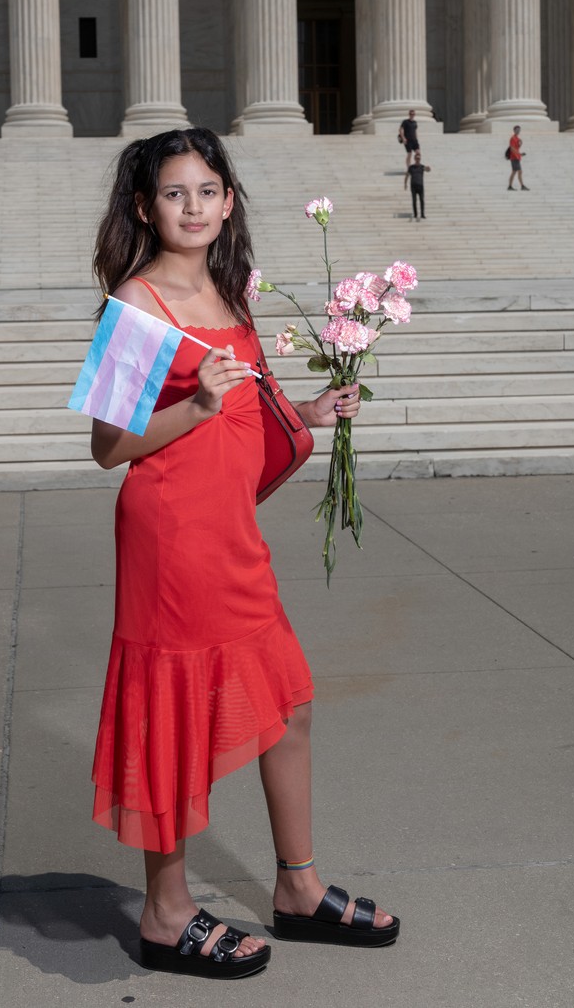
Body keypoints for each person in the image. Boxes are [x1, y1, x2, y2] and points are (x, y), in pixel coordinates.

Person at [88, 128, 399, 979]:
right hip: (171, 539)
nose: (193, 207)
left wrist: (311, 409)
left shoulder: (230, 297)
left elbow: (245, 423)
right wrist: (192, 409)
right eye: (175, 193)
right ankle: (165, 912)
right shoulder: (138, 304)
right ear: (147, 207)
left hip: (229, 534)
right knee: (176, 723)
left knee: (288, 704)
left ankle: (298, 889)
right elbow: (108, 445)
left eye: (207, 190)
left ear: (228, 201)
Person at [404, 150, 430, 220]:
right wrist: (405, 184)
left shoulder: (422, 167)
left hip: (420, 186)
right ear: (414, 158)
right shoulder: (411, 167)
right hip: (413, 186)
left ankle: (422, 214)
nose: (418, 159)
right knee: (414, 200)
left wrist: (428, 169)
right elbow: (407, 175)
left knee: (422, 200)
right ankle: (415, 214)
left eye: (419, 158)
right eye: (417, 158)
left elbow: (428, 170)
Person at [507, 125, 528, 190]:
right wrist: (520, 154)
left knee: (515, 172)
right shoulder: (512, 138)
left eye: (519, 130)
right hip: (514, 158)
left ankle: (510, 186)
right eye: (517, 130)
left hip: (517, 157)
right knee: (519, 171)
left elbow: (516, 148)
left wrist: (520, 144)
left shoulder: (517, 139)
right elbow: (512, 149)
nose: (518, 131)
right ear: (514, 130)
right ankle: (522, 186)